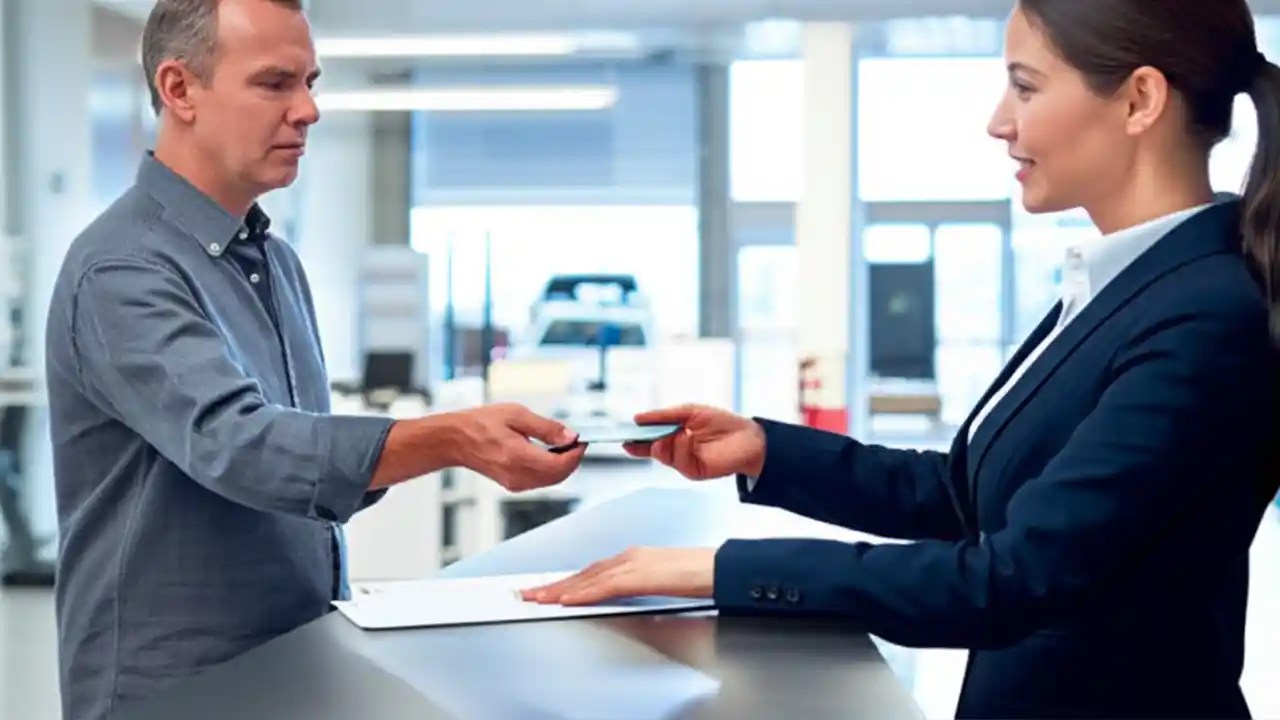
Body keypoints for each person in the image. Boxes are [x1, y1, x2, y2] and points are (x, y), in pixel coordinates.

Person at [525, 1, 1280, 717]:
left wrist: (716, 570)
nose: (998, 121)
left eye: (1024, 86)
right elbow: (965, 497)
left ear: (1140, 99)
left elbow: (1012, 580)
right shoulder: (1126, 283)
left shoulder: (1205, 314)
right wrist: (763, 451)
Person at [44, 1, 587, 718]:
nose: (308, 110)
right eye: (274, 84)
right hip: (173, 691)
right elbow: (241, 447)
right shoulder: (121, 270)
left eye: (311, 81)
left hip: (294, 665)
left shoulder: (274, 263)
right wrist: (451, 438)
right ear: (180, 91)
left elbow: (298, 469)